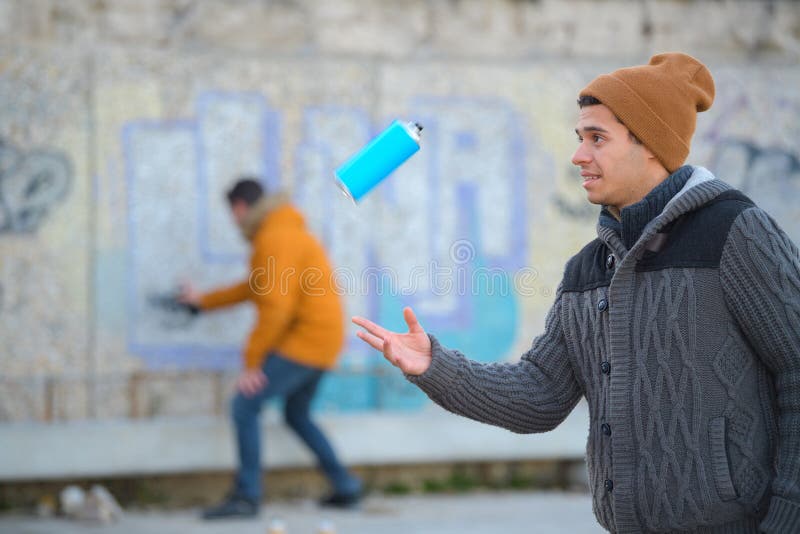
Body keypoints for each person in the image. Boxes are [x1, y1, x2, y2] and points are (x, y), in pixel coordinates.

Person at [353, 53, 800, 533]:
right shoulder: (586, 270)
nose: (579, 155)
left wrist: (787, 517)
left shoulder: (734, 231)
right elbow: (539, 396)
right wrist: (434, 367)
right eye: (579, 138)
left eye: (598, 138)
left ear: (649, 145)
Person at [181, 178, 362, 519]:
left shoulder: (272, 238)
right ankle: (346, 486)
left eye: (232, 214)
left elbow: (275, 306)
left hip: (306, 341)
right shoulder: (285, 230)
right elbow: (255, 287)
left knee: (244, 405)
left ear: (239, 208)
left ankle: (247, 498)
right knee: (297, 414)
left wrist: (252, 363)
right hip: (324, 341)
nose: (233, 222)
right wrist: (202, 301)